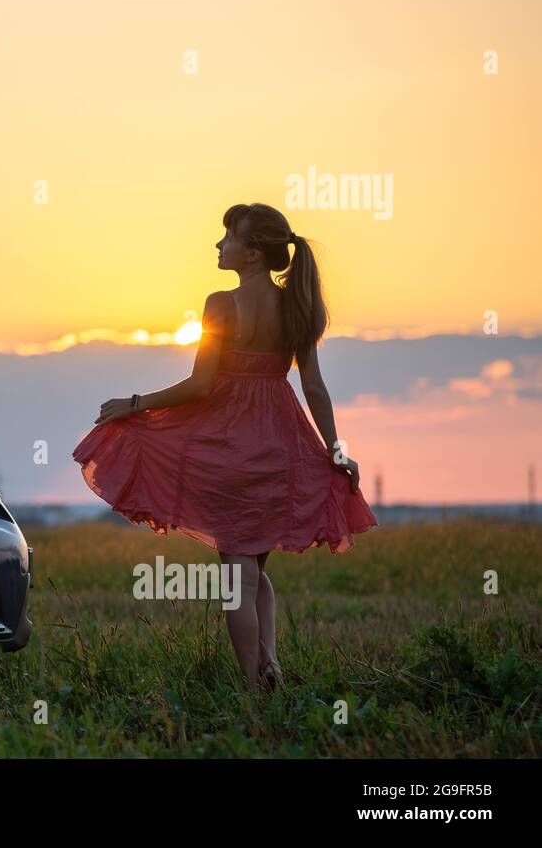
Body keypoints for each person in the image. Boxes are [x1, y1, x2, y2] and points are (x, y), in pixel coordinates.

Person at [72, 202, 379, 694]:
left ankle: (252, 693)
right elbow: (315, 389)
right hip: (281, 443)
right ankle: (270, 667)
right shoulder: (296, 306)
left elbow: (199, 386)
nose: (219, 245)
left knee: (238, 571)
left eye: (229, 238)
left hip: (227, 445)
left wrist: (134, 404)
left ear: (253, 254)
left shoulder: (221, 304)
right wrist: (335, 450)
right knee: (253, 565)